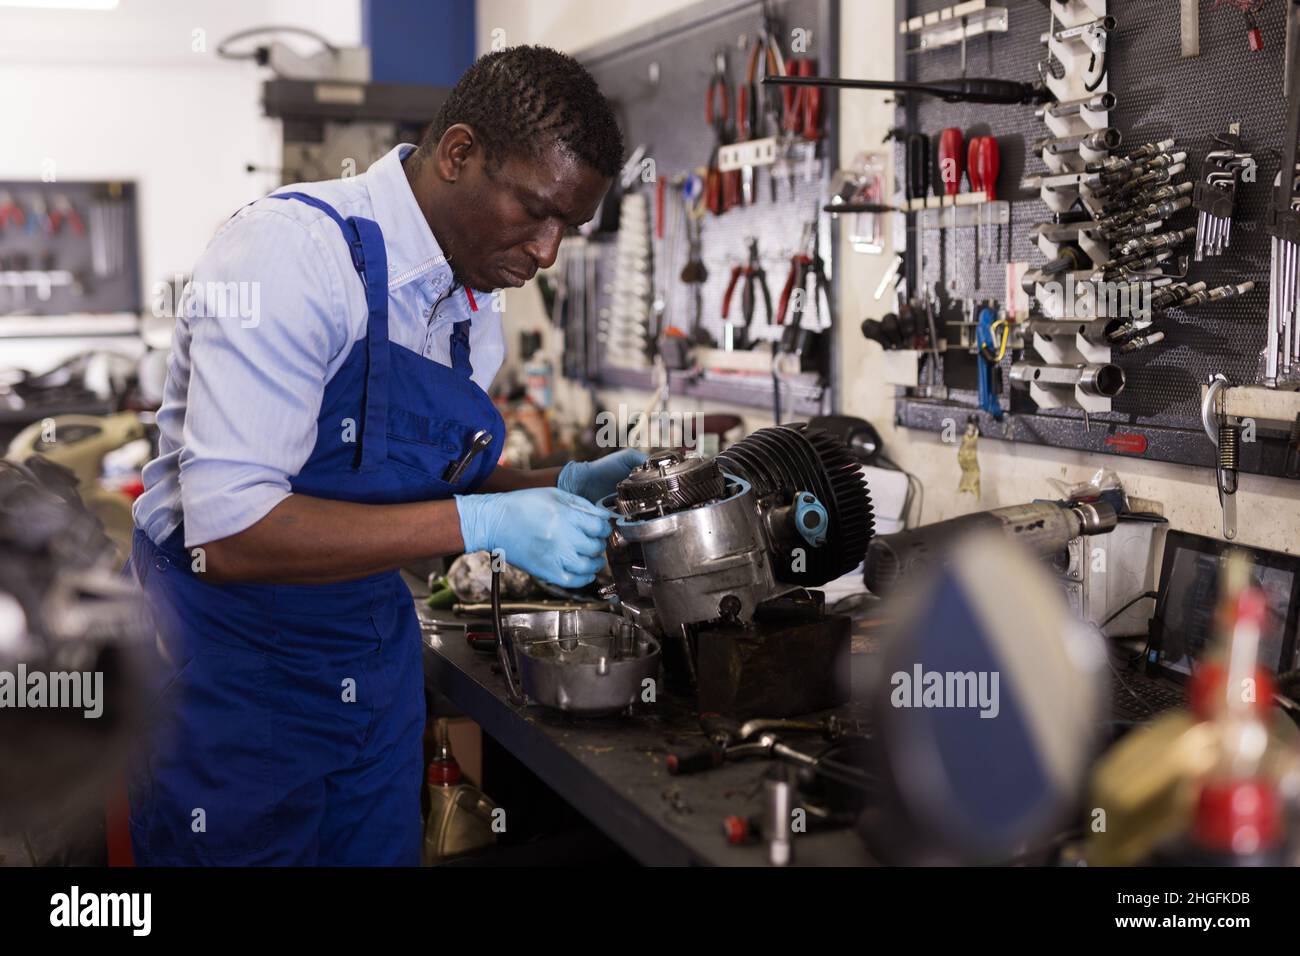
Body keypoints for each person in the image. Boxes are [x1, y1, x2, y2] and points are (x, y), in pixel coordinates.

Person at [127, 45, 641, 865]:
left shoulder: (475, 298)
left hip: (368, 650)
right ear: (460, 152)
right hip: (235, 666)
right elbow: (229, 535)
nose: (547, 253)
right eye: (535, 211)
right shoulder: (289, 257)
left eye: (568, 229)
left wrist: (558, 487)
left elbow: (410, 479)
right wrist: (484, 521)